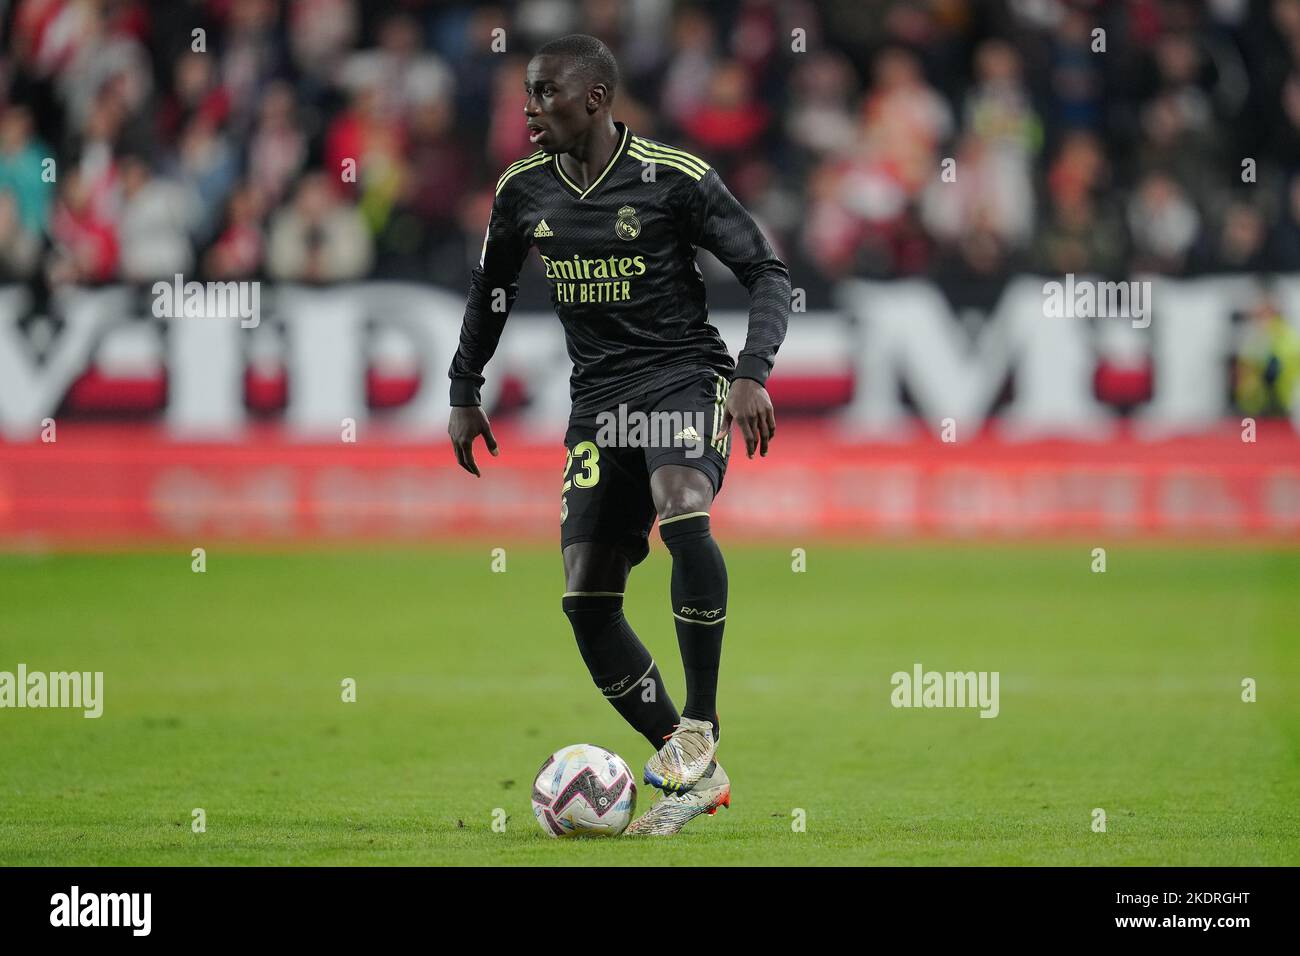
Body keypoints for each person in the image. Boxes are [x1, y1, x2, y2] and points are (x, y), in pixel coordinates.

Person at [447, 34, 789, 835]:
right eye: (525, 95)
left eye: (544, 95)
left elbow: (768, 272)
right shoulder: (522, 191)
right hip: (598, 403)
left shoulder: (676, 178)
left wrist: (750, 372)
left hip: (680, 378)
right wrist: (464, 386)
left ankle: (700, 722)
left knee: (683, 505)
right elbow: (491, 289)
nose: (528, 111)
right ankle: (687, 763)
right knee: (585, 600)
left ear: (595, 100)